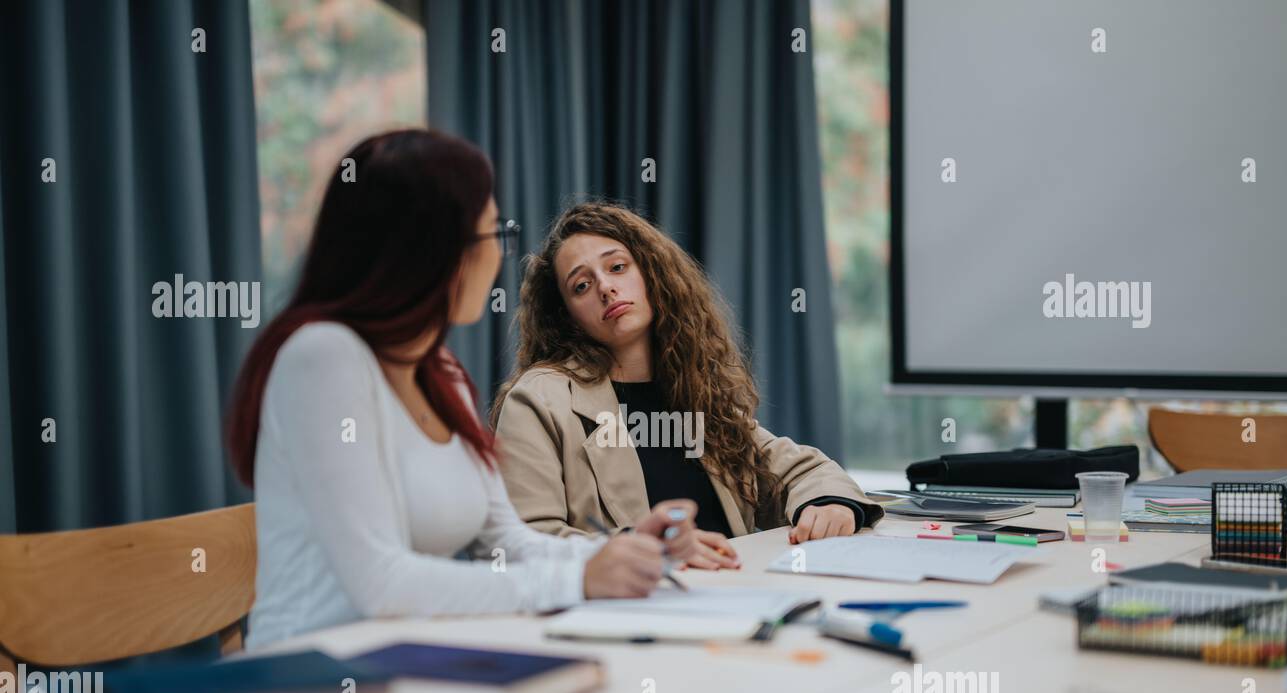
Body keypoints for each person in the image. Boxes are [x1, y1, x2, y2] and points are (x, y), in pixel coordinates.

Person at [226, 132, 697, 647]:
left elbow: (507, 541)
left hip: (403, 659)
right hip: (312, 672)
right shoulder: (323, 356)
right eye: (491, 235)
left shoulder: (439, 370)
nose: (499, 258)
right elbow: (381, 584)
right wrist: (577, 579)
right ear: (434, 253)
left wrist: (627, 552)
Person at [490, 201, 881, 570]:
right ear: (568, 317)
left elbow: (797, 471)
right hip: (634, 616)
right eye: (581, 286)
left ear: (651, 273)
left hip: (738, 599)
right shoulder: (538, 399)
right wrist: (651, 551)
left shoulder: (695, 389)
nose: (606, 288)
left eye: (618, 267)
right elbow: (527, 542)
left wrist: (829, 505)